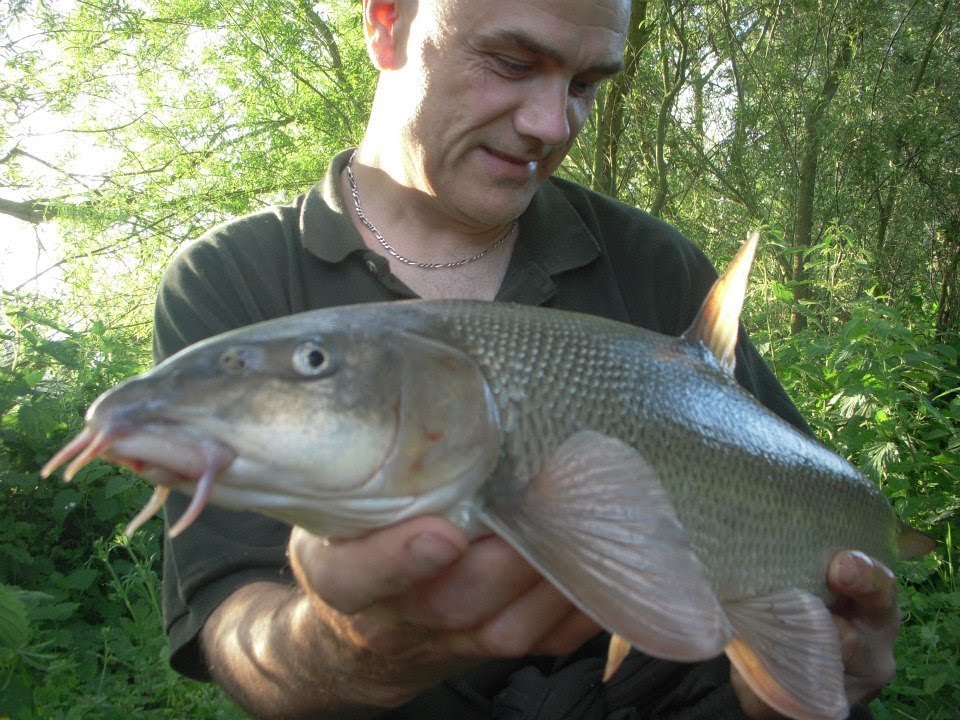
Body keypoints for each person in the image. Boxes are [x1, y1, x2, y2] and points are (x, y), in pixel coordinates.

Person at [154, 0, 901, 718]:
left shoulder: (654, 264)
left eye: (584, 84)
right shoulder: (232, 280)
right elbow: (232, 619)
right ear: (387, 23)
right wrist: (352, 648)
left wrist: (818, 663)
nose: (552, 123)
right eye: (512, 62)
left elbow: (810, 506)